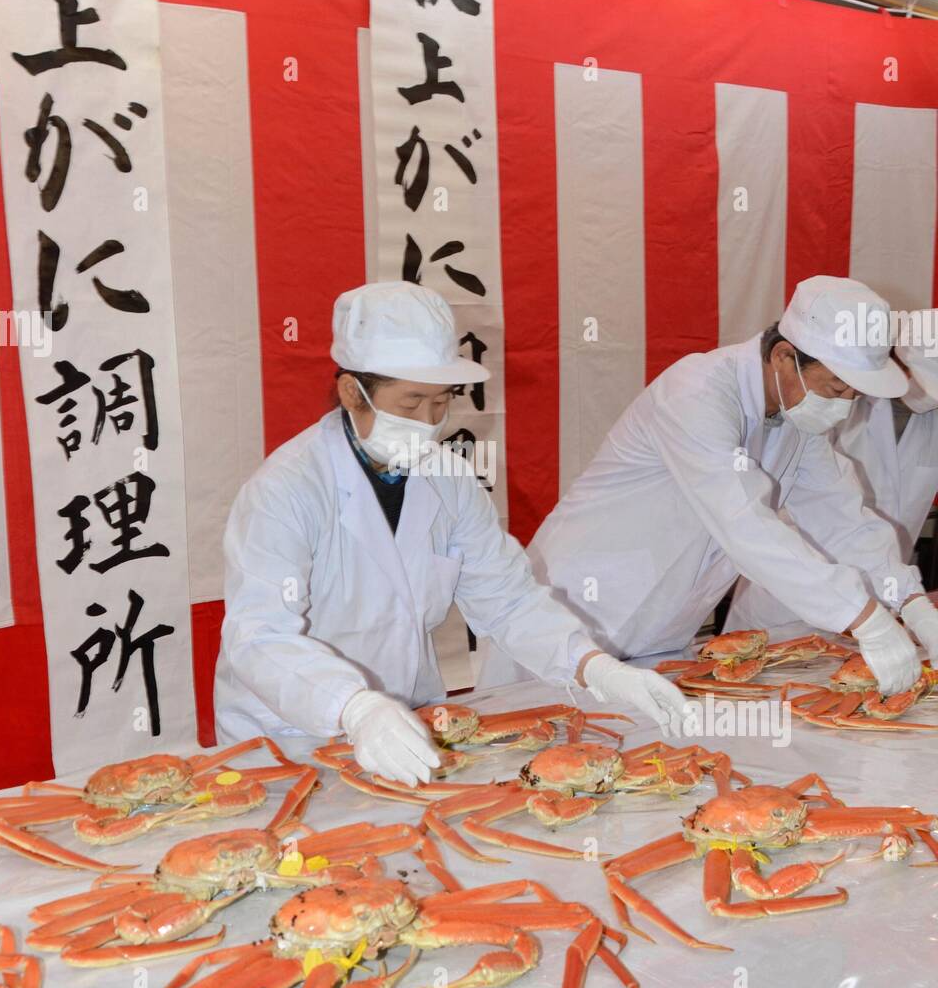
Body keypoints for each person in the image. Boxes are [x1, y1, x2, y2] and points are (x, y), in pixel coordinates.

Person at [214, 281, 687, 786]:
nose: (430, 422)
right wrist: (353, 708)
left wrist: (592, 667)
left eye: (441, 402)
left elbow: (507, 599)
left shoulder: (449, 478)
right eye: (411, 401)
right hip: (288, 737)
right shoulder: (286, 489)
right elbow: (259, 636)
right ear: (353, 392)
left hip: (410, 715)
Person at [478, 276, 938, 697]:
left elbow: (843, 520)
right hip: (576, 613)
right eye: (836, 388)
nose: (844, 407)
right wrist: (865, 620)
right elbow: (744, 523)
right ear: (784, 357)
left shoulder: (797, 421)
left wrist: (912, 602)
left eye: (854, 395)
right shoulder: (697, 393)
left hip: (662, 630)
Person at [726, 313, 938, 633]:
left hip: (884, 585)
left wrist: (913, 603)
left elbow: (853, 523)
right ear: (896, 360)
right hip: (789, 590)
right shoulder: (824, 401)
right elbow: (830, 508)